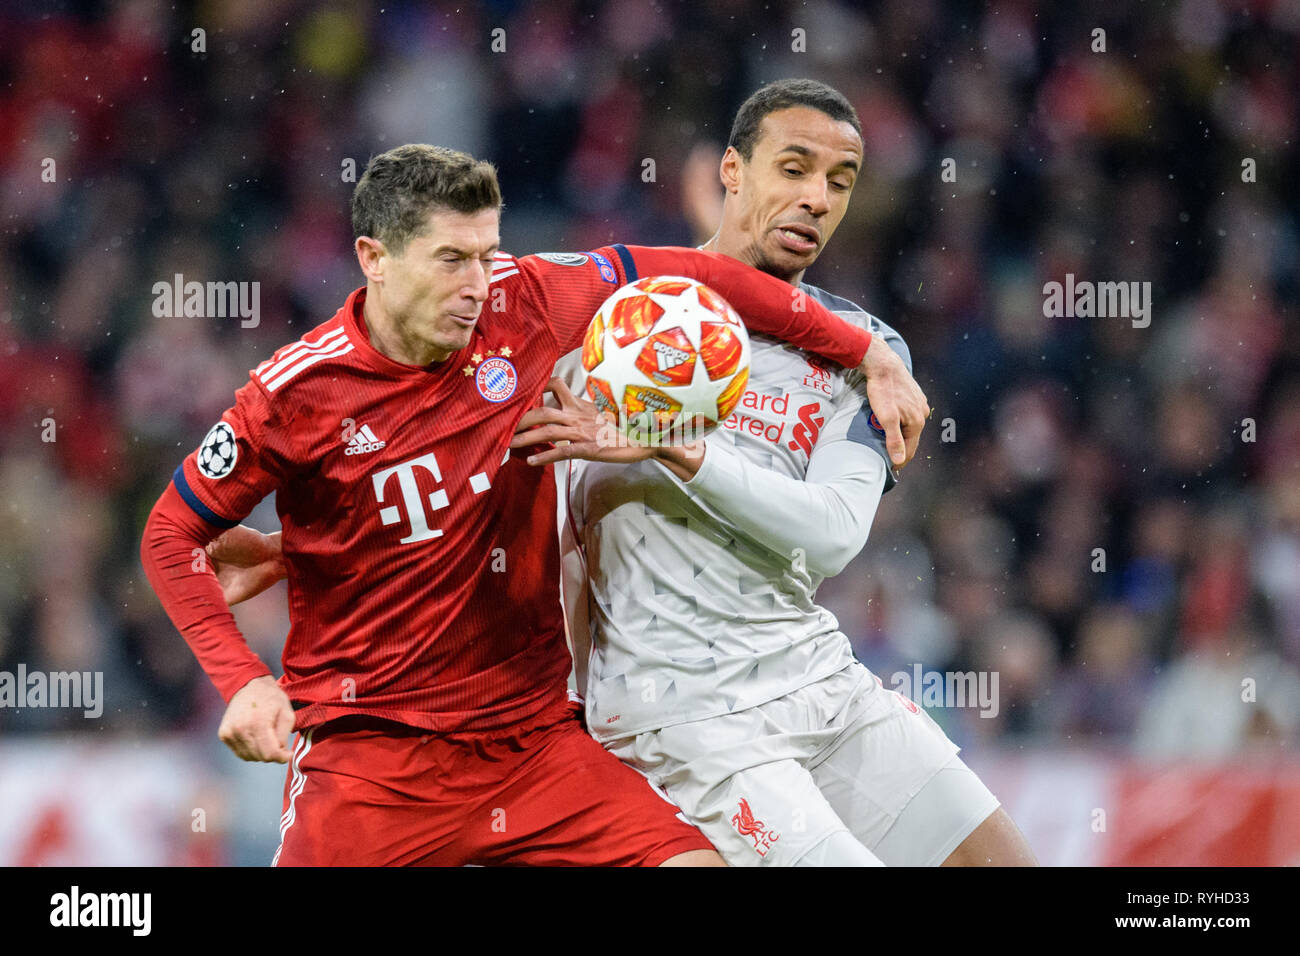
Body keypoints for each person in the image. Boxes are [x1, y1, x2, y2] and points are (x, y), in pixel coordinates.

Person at [140, 142, 928, 866]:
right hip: (372, 758)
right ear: (373, 259)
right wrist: (243, 678)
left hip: (532, 744)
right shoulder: (296, 392)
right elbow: (171, 533)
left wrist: (865, 352)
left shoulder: (531, 301)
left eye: (486, 254)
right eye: (451, 259)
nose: (476, 285)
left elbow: (701, 275)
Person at [514, 79, 1038, 866]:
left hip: (815, 675)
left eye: (839, 181)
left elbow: (828, 536)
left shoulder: (865, 350)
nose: (817, 199)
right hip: (681, 709)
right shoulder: (613, 317)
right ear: (733, 170)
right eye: (792, 169)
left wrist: (677, 446)